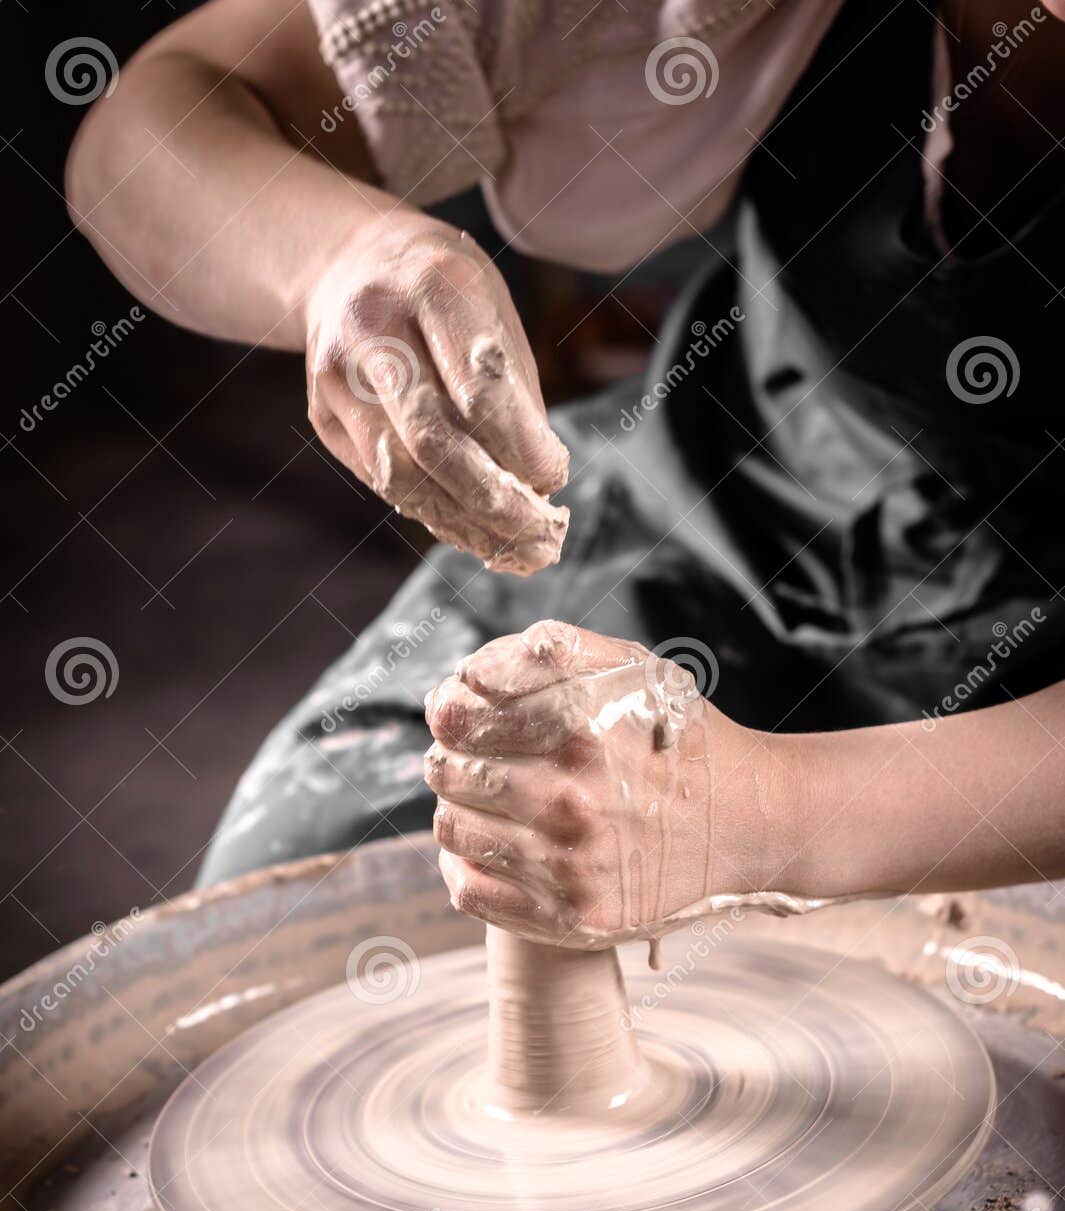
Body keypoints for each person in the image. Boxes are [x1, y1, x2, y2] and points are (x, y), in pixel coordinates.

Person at [68, 0, 1065, 950]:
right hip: (731, 494)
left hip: (1029, 708)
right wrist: (340, 259)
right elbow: (159, 121)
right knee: (303, 887)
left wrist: (761, 814)